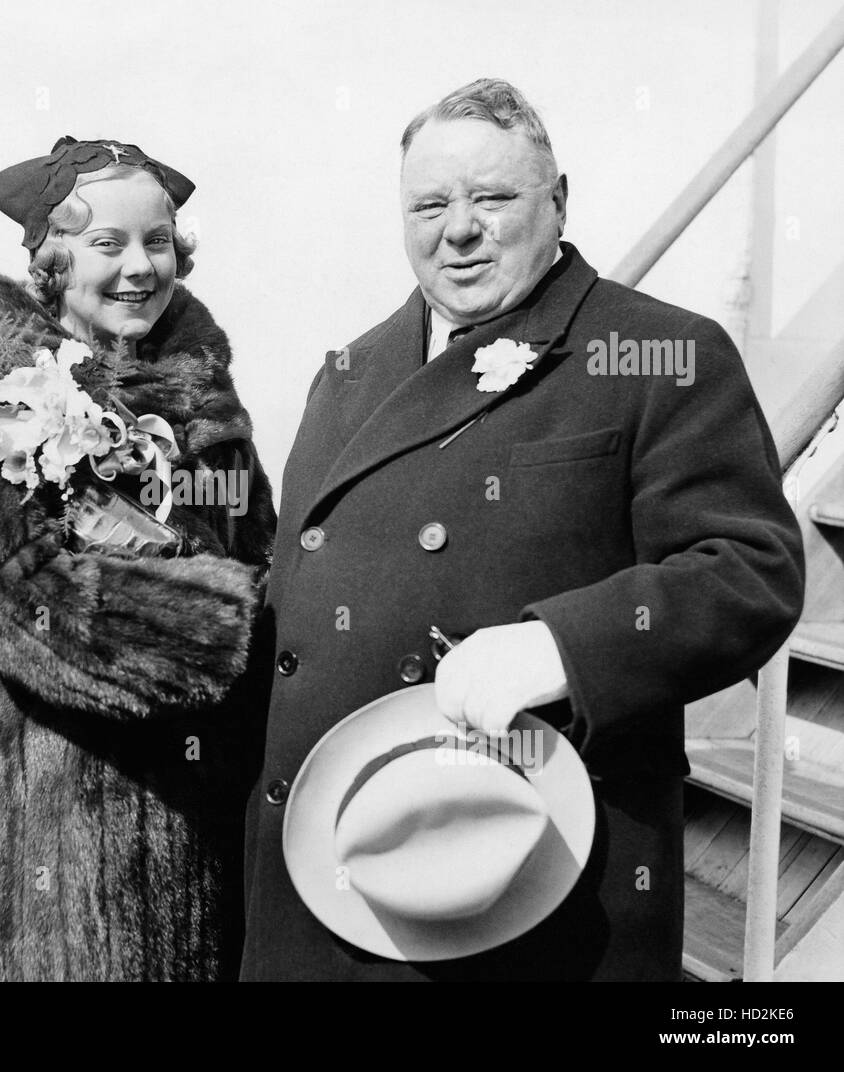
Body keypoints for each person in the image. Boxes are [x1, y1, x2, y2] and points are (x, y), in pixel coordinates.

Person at [240, 78, 805, 981]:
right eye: (430, 204)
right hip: (334, 868)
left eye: (492, 198)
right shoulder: (347, 372)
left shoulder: (653, 352)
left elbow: (748, 570)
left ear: (559, 202)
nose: (458, 229)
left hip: (521, 884)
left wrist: (559, 649)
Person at [0, 137, 277, 980]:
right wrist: (222, 625)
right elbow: (7, 596)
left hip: (211, 814)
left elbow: (259, 546)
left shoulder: (203, 388)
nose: (140, 267)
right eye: (108, 245)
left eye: (157, 241)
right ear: (50, 260)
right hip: (65, 815)